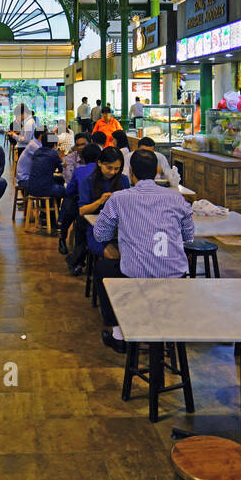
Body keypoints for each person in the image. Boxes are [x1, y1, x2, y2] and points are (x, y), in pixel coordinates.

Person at [91, 149, 195, 351]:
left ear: (130, 172)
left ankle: (119, 333)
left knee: (103, 268)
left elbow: (100, 235)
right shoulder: (177, 199)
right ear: (157, 172)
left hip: (135, 276)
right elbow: (188, 237)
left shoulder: (119, 199)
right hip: (175, 276)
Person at [66, 145, 128, 273]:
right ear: (99, 163)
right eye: (109, 168)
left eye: (117, 169)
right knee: (115, 256)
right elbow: (82, 210)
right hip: (97, 231)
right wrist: (101, 200)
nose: (112, 172)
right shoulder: (88, 181)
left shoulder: (123, 180)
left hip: (121, 231)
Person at [59, 141, 101, 254]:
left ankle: (62, 238)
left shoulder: (80, 171)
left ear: (84, 158)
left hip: (82, 207)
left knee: (68, 206)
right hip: (101, 208)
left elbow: (69, 190)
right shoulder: (104, 171)